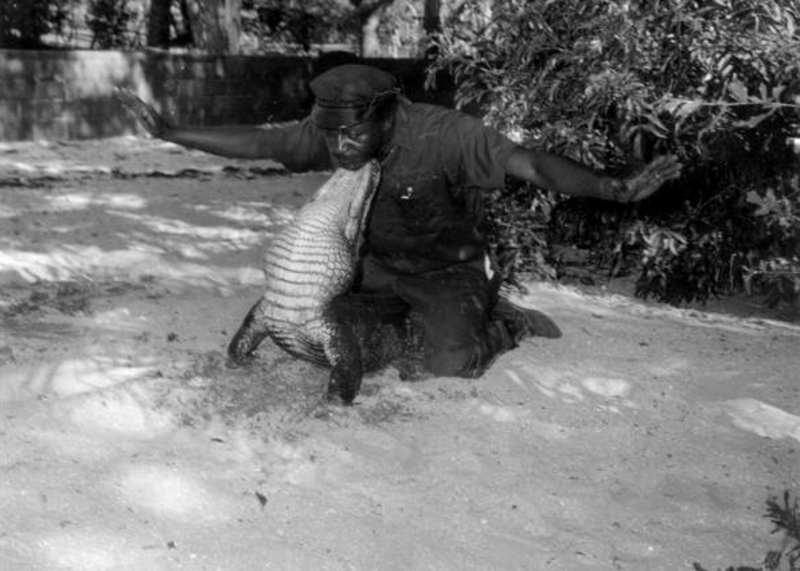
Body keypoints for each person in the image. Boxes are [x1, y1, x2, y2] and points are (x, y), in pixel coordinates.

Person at [117, 64, 681, 379]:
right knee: (313, 336)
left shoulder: (445, 133)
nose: (337, 148)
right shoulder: (338, 128)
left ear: (387, 116)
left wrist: (610, 187)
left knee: (445, 364)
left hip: (450, 270)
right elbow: (263, 142)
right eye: (330, 134)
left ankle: (504, 320)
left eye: (352, 136)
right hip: (375, 267)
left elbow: (528, 162)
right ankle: (409, 319)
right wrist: (170, 131)